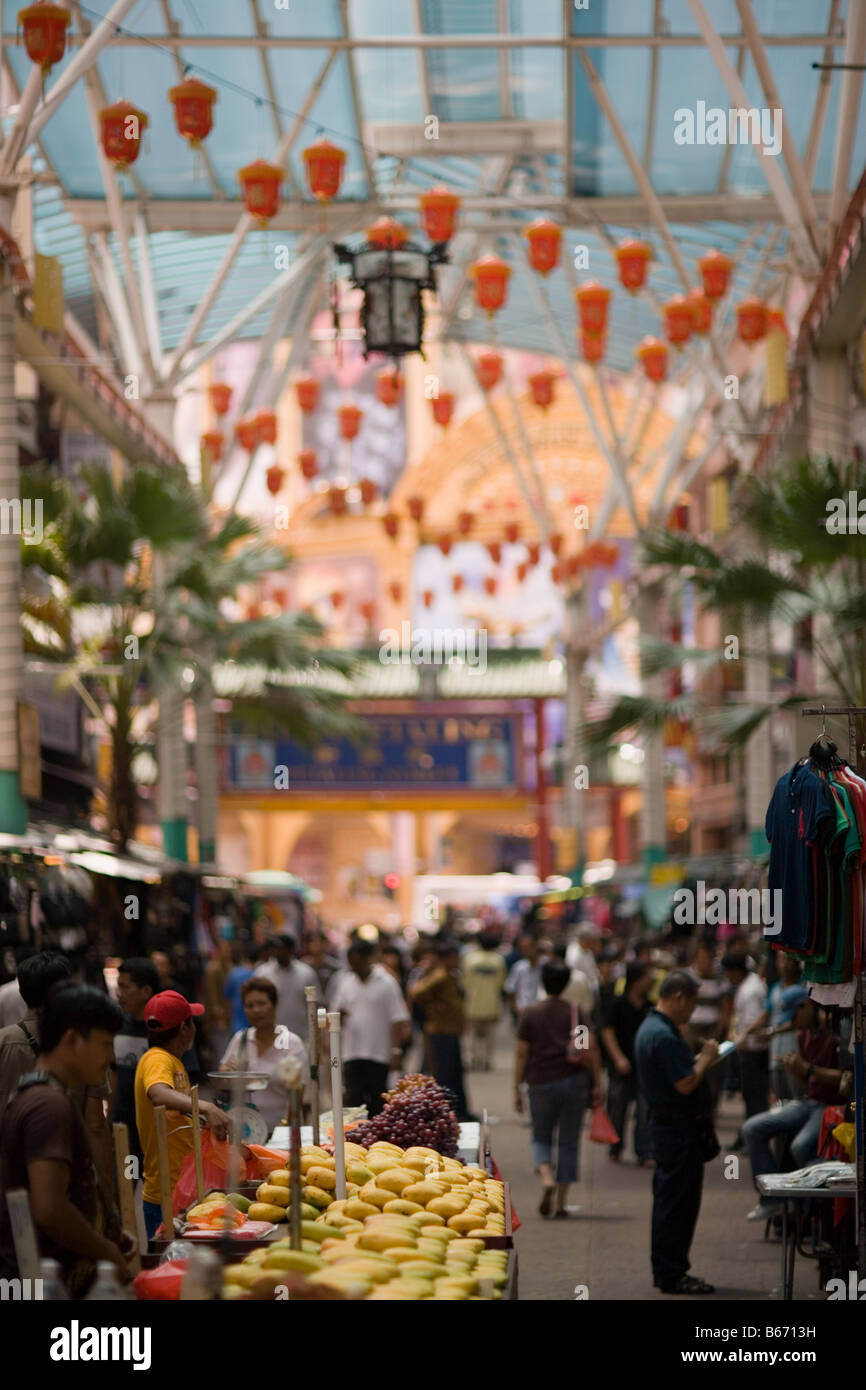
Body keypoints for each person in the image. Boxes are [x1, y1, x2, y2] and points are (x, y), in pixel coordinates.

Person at [0, 981, 133, 1295]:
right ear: (73, 1040)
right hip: (46, 1283)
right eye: (104, 1043)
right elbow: (49, 1207)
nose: (110, 1056)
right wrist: (105, 1249)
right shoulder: (49, 1106)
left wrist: (105, 1230)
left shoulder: (40, 1095)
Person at [634, 970, 719, 1295]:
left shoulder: (652, 1028)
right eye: (692, 1003)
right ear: (679, 997)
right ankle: (672, 1273)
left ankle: (670, 1269)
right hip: (676, 1129)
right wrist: (707, 1059)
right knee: (677, 1204)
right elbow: (685, 1083)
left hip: (667, 1126)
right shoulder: (664, 1035)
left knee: (670, 1201)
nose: (692, 1011)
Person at [743, 989, 847, 1221]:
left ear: (806, 1007)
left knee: (800, 1147)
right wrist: (797, 1071)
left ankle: (811, 1212)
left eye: (794, 1017)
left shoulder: (836, 1033)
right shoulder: (803, 1035)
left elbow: (845, 1079)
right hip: (807, 1102)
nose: (793, 1024)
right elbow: (808, 1082)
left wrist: (808, 1069)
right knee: (752, 1128)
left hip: (830, 1106)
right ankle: (774, 1201)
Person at [134, 990, 229, 1239]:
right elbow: (158, 1093)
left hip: (181, 1188)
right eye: (192, 1022)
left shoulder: (173, 1063)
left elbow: (174, 1116)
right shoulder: (157, 1059)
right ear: (185, 1028)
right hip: (165, 1195)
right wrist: (207, 1107)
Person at [514, 960, 602, 1218]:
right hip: (574, 1082)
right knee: (568, 1141)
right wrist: (597, 1083)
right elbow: (589, 1048)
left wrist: (516, 1087)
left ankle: (546, 1176)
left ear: (543, 982)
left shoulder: (530, 1012)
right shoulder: (577, 1012)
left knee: (540, 1136)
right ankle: (562, 1203)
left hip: (540, 1081)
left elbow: (521, 1053)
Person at [331, 940, 410, 1117]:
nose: (355, 967)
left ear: (368, 959)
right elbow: (337, 1014)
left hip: (378, 1052)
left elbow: (397, 1018)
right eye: (352, 963)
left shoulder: (387, 983)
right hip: (352, 1051)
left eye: (358, 962)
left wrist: (396, 1050)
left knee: (378, 1100)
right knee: (353, 1100)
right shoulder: (346, 983)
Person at [220, 977, 308, 1133]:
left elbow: (297, 1096)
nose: (256, 1010)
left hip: (282, 1131)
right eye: (250, 1005)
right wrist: (228, 1073)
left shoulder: (291, 1043)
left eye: (261, 1004)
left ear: (274, 1006)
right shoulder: (241, 1039)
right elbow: (223, 1076)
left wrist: (284, 1128)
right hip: (245, 1132)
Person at [0, 950, 72, 1124]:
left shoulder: (3, 1040)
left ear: (22, 990)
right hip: (64, 1145)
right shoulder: (80, 1042)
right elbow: (95, 1123)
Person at [410, 940, 474, 1120]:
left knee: (455, 1073)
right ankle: (449, 1112)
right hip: (440, 1031)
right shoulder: (440, 975)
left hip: (450, 1030)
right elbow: (416, 992)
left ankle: (460, 1110)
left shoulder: (450, 974)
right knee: (445, 1075)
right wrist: (433, 1006)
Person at [108, 957, 161, 1161]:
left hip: (156, 1131)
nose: (118, 994)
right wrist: (111, 1120)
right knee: (126, 1183)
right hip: (125, 1129)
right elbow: (113, 1075)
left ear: (146, 991)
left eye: (125, 987)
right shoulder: (117, 1026)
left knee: (156, 1191)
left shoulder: (163, 1030)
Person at [602, 961, 653, 1165]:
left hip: (644, 1067)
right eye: (647, 977)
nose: (650, 981)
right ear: (637, 980)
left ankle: (644, 1151)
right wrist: (618, 1058)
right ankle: (615, 1147)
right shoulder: (617, 1004)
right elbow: (607, 1032)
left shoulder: (649, 1006)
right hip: (621, 1066)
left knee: (644, 1110)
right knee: (617, 1108)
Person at [723, 950, 769, 1139]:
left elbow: (752, 1022)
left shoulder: (751, 989)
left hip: (752, 1051)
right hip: (749, 1049)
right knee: (751, 1096)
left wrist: (740, 1037)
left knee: (754, 1097)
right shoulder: (748, 986)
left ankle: (753, 1135)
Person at [252, 933, 320, 1041]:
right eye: (275, 949)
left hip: (301, 1035)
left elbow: (316, 1005)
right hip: (271, 1036)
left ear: (291, 950)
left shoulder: (306, 973)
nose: (278, 952)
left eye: (282, 949)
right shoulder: (262, 973)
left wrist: (316, 1034)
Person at [461, 932, 506, 1071]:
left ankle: (473, 1060)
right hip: (492, 1003)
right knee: (489, 1035)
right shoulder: (498, 960)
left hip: (472, 1002)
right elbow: (501, 982)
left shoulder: (469, 959)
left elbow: (465, 982)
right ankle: (487, 1060)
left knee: (472, 1035)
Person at [504, 932, 545, 1020]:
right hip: (523, 1011)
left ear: (536, 946)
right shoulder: (519, 967)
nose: (526, 951)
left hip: (542, 1012)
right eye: (523, 948)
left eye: (528, 947)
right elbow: (510, 989)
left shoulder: (546, 965)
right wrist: (515, 1007)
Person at [224, 942, 257, 1036]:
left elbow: (227, 998)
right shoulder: (257, 973)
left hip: (237, 1024)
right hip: (254, 1023)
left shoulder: (234, 974)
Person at [303, 929, 340, 1001]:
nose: (316, 945)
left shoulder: (334, 966)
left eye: (319, 942)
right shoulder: (303, 967)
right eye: (313, 942)